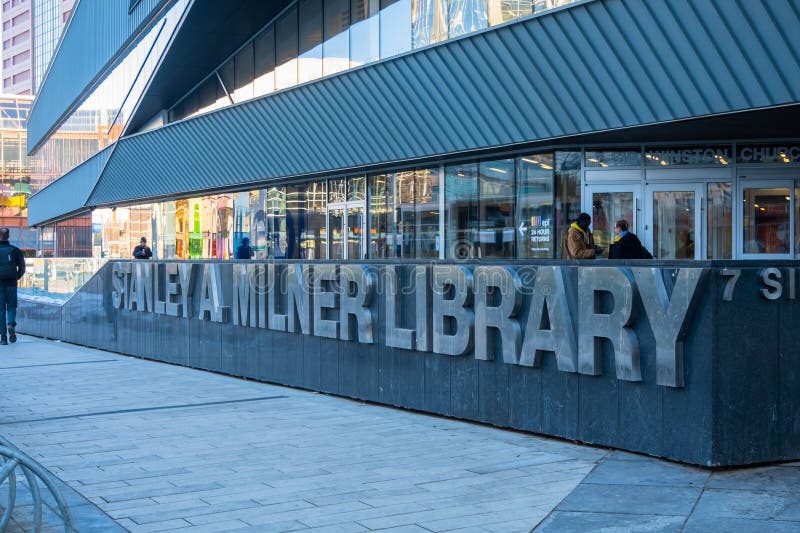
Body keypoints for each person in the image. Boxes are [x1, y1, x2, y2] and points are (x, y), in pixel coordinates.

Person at [0, 227, 25, 345]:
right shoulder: (15, 250)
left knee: (0, 310)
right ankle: (11, 323)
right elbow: (22, 267)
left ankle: (3, 338)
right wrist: (16, 277)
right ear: (8, 236)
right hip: (11, 283)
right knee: (11, 306)